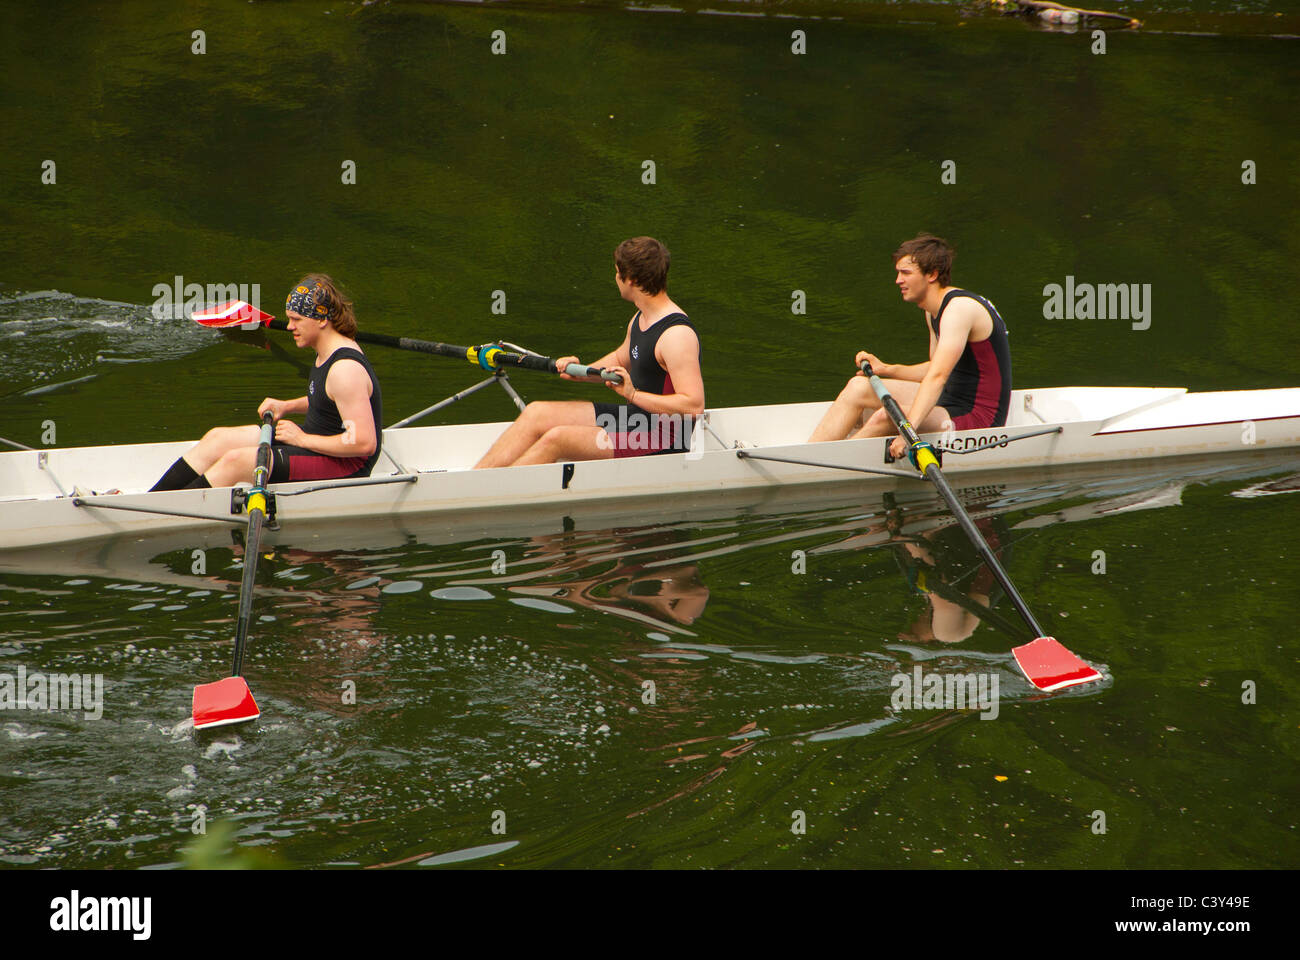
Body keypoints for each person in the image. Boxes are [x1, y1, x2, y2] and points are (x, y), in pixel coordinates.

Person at [474, 237, 703, 468]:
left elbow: (693, 406)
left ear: (631, 279)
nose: (615, 278)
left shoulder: (676, 336)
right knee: (536, 413)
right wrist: (582, 372)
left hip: (662, 440)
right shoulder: (640, 318)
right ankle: (474, 481)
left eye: (617, 272)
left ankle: (492, 496)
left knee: (558, 439)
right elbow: (620, 358)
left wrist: (633, 395)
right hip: (636, 421)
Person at [149, 275, 382, 490]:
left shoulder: (345, 370)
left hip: (347, 465)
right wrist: (288, 406)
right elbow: (330, 399)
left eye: (296, 320)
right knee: (219, 439)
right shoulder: (329, 348)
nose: (290, 326)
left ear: (321, 319)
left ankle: (166, 515)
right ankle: (152, 499)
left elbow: (364, 443)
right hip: (317, 443)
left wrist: (302, 439)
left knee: (236, 461)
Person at [809, 234, 1011, 459]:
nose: (897, 280)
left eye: (906, 273)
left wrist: (908, 430)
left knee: (886, 416)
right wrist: (887, 369)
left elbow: (937, 377)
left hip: (979, 416)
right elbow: (933, 368)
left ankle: (825, 465)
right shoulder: (933, 310)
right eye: (898, 273)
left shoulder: (958, 310)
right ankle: (809, 455)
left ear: (932, 275)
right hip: (949, 398)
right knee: (859, 386)